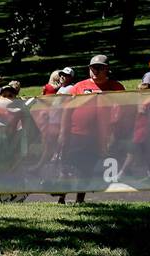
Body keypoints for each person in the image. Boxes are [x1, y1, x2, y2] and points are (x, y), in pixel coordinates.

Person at [60, 54, 127, 203]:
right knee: (70, 165)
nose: (95, 71)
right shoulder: (79, 86)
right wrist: (63, 132)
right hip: (76, 133)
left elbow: (125, 110)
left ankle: (79, 199)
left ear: (107, 69)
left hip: (99, 137)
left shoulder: (116, 87)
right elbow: (67, 110)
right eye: (92, 68)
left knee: (87, 168)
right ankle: (62, 197)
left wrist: (115, 132)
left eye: (99, 68)